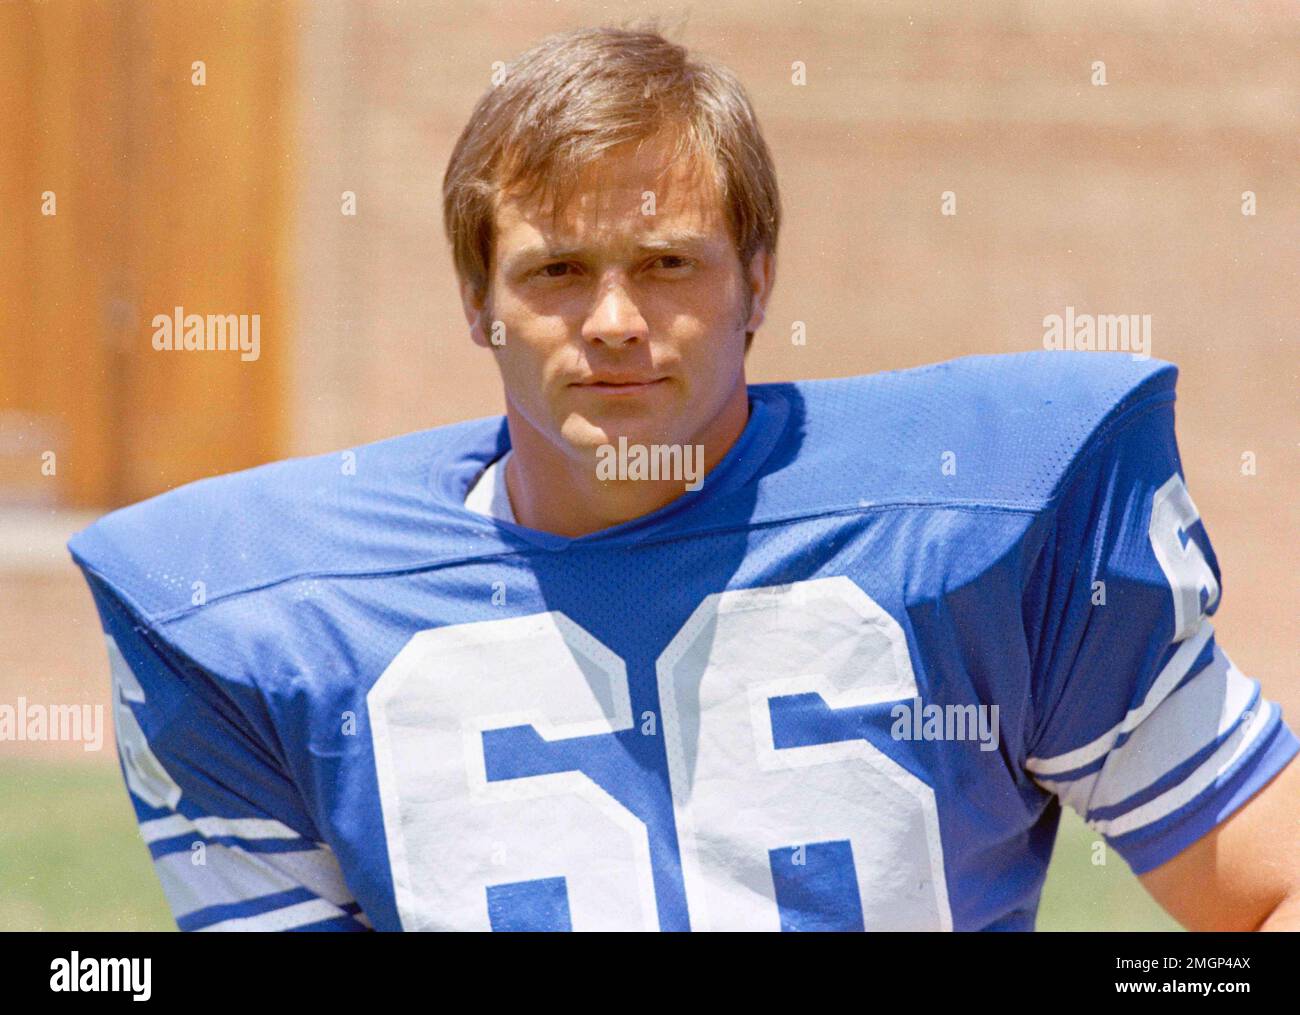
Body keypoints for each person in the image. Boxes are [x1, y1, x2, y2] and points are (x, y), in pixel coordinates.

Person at [70, 25, 1297, 931]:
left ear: (756, 283)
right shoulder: (257, 619)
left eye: (667, 263)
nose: (612, 321)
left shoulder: (986, 526)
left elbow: (1265, 889)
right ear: (476, 305)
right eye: (554, 273)